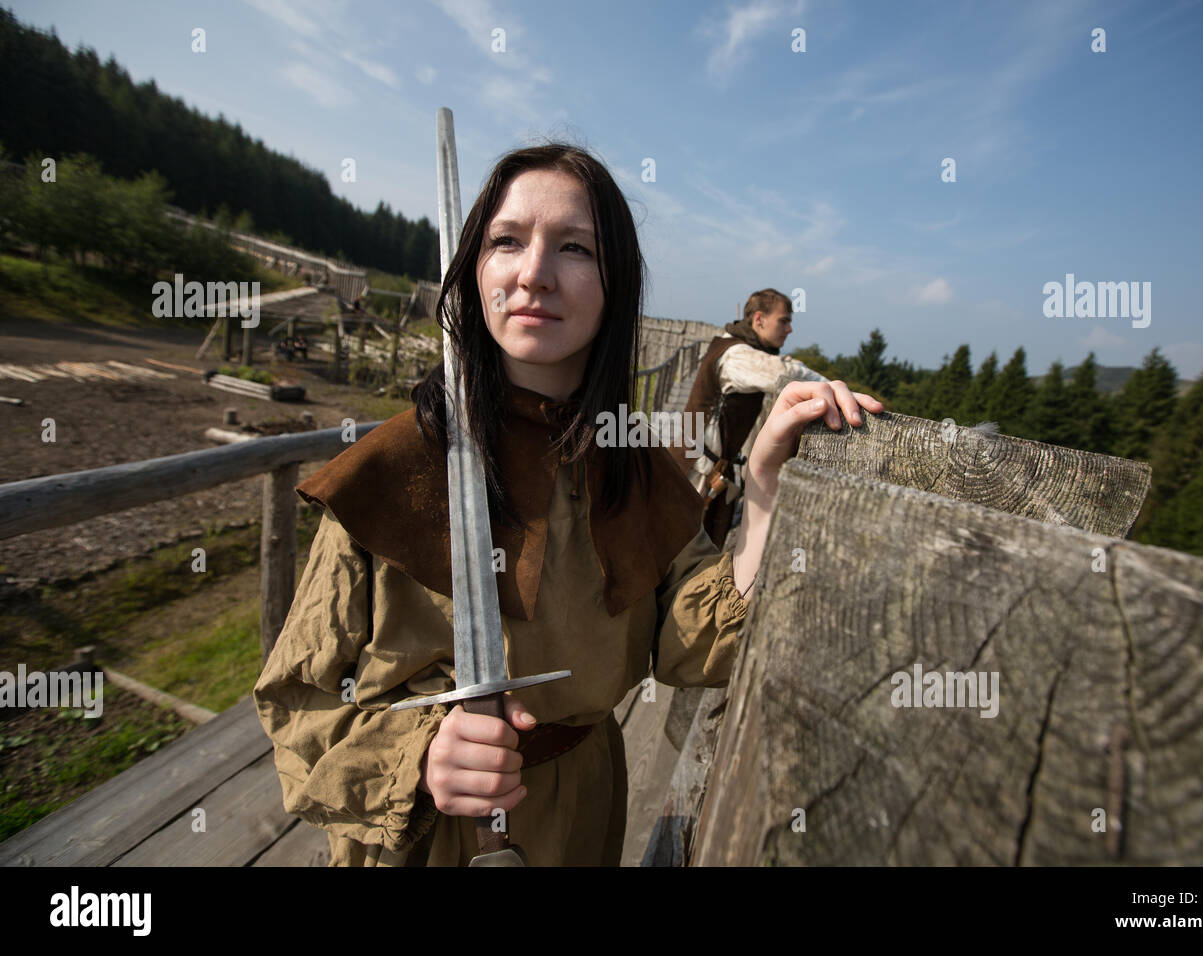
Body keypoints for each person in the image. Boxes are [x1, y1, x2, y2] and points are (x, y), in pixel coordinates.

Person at [252, 143, 880, 867]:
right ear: (475, 272)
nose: (533, 273)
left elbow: (691, 646)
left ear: (614, 285)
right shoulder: (389, 469)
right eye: (506, 240)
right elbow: (297, 703)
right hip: (417, 838)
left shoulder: (637, 473)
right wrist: (417, 760)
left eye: (574, 247)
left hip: (580, 818)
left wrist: (765, 485)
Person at [670, 289, 831, 548]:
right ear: (759, 319)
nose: (789, 329)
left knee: (693, 551)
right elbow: (783, 373)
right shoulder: (738, 356)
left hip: (709, 470)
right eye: (784, 320)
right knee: (676, 550)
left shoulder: (735, 347)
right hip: (696, 473)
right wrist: (836, 389)